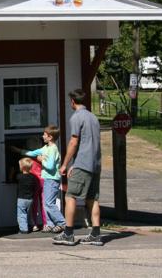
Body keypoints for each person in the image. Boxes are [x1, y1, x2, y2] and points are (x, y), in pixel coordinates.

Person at [53, 89, 104, 246]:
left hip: (83, 163)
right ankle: (96, 234)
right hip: (95, 164)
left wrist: (65, 164)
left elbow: (74, 142)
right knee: (92, 198)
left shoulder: (77, 117)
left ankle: (68, 233)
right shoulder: (93, 117)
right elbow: (89, 142)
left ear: (73, 102)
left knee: (70, 196)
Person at [23, 125, 66, 233]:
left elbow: (50, 166)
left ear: (50, 137)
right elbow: (33, 153)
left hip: (52, 180)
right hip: (47, 179)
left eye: (44, 135)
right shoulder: (45, 148)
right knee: (46, 203)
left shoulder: (53, 149)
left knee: (49, 203)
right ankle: (50, 224)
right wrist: (20, 151)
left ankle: (62, 222)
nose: (42, 136)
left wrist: (41, 160)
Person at [16, 157, 39, 234]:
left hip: (21, 199)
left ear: (21, 167)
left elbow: (13, 178)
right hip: (30, 199)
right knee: (28, 213)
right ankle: (33, 225)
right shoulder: (33, 177)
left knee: (22, 214)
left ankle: (23, 229)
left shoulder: (19, 177)